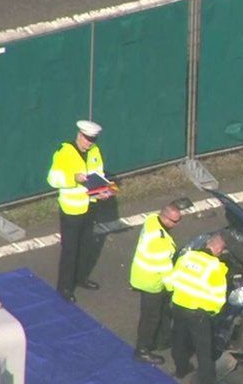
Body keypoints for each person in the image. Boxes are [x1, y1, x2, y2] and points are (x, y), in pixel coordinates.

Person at [46, 120, 113, 302]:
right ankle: (65, 287)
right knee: (70, 249)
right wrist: (73, 178)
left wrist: (101, 192)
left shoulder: (95, 151)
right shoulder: (64, 152)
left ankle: (80, 278)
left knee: (85, 245)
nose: (89, 143)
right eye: (87, 139)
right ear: (79, 135)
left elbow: (98, 175)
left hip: (90, 205)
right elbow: (53, 179)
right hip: (72, 209)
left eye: (93, 140)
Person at [166, 233, 229, 384]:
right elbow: (218, 300)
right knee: (204, 353)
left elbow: (171, 282)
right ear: (219, 250)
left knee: (178, 340)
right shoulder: (216, 268)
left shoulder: (187, 257)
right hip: (198, 315)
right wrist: (213, 314)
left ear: (207, 243)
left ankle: (181, 369)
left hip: (178, 306)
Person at [129, 203, 183, 365]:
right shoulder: (160, 242)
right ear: (165, 218)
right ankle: (142, 350)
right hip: (152, 282)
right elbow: (165, 271)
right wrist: (173, 289)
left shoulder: (152, 220)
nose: (177, 224)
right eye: (175, 221)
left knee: (161, 312)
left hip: (142, 274)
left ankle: (161, 340)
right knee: (150, 318)